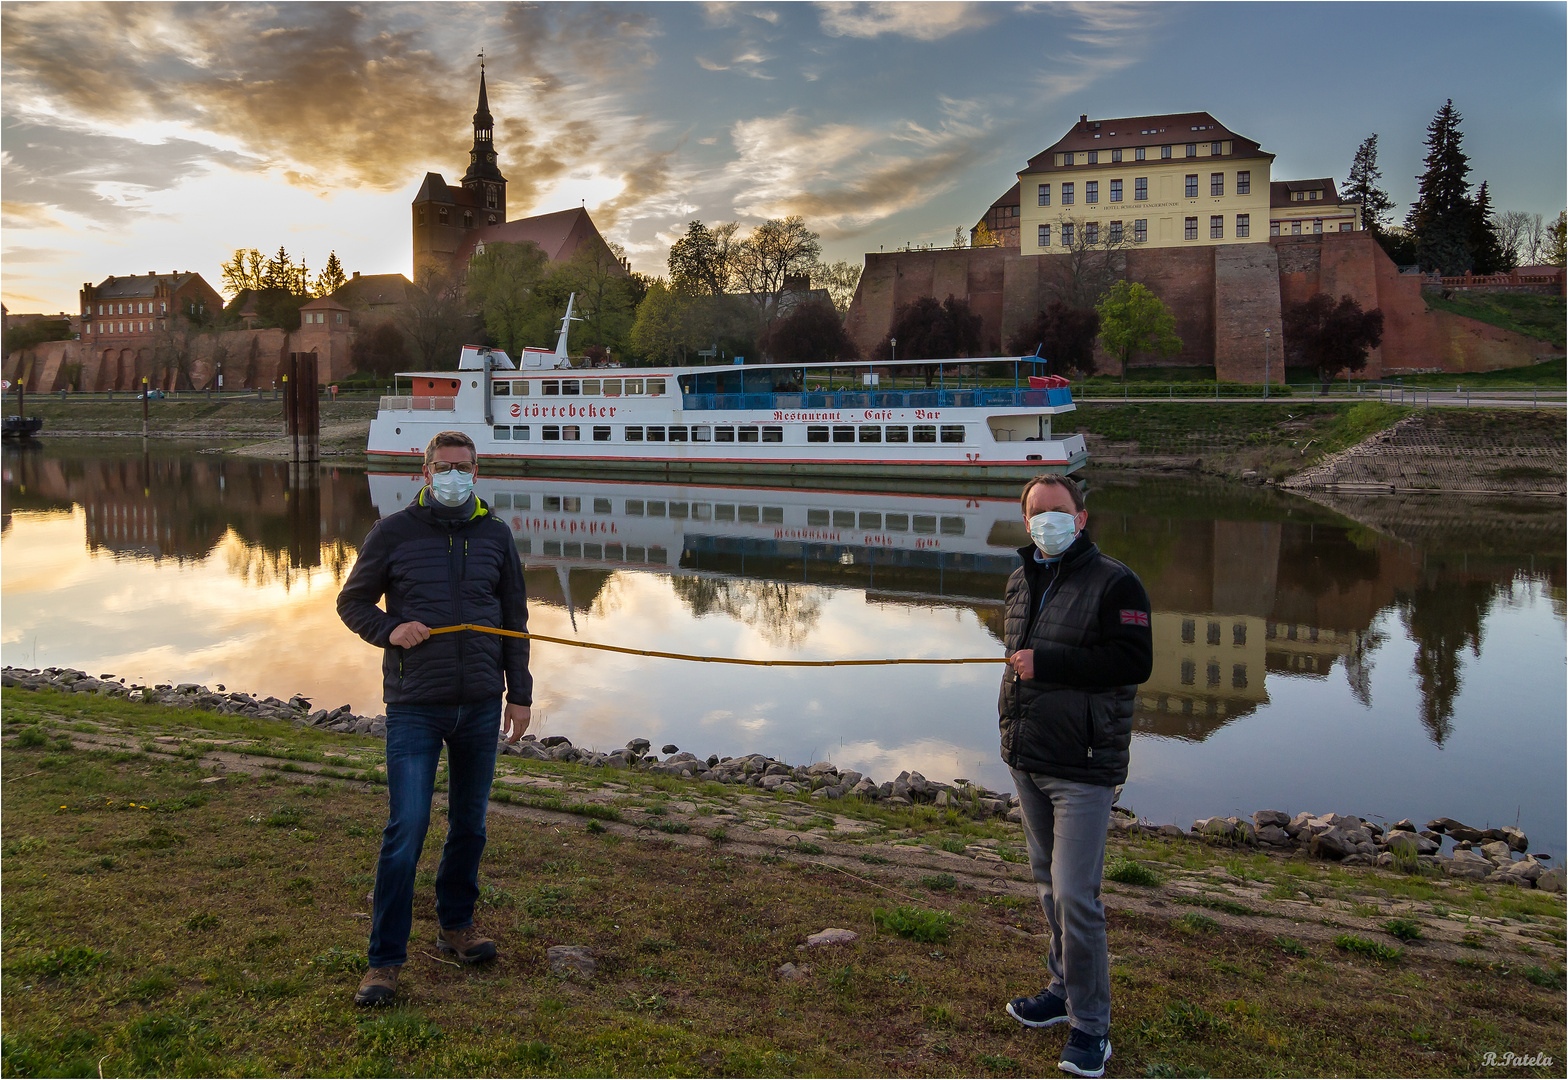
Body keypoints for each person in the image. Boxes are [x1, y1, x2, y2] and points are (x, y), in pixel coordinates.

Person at [336, 430, 533, 1006]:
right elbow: (352, 602)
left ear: (477, 472)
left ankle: (456, 927)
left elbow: (514, 621)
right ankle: (384, 961)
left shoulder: (495, 536)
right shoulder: (392, 532)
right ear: (425, 472)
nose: (455, 476)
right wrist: (389, 630)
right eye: (445, 467)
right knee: (408, 830)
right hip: (415, 707)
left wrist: (517, 694)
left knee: (469, 826)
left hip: (479, 706)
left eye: (464, 467)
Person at [997, 474, 1153, 1078]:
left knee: (1075, 896)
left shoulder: (1117, 582)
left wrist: (1047, 663)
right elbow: (1020, 662)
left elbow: (1134, 662)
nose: (1047, 523)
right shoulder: (1020, 578)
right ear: (1026, 520)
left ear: (1081, 518)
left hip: (1085, 766)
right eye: (1037, 514)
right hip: (1030, 757)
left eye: (1058, 513)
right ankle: (1062, 992)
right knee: (1046, 885)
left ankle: (1092, 1027)